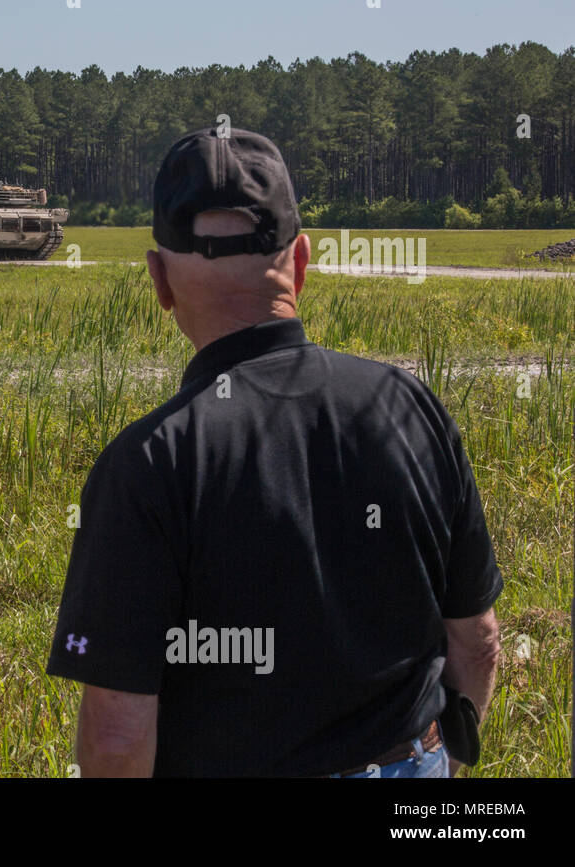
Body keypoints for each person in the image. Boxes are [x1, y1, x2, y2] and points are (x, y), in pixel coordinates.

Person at [45, 128, 502, 778]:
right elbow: (478, 644)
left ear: (159, 283)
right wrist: (442, 762)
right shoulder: (412, 406)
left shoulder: (148, 463)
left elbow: (118, 743)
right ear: (302, 263)